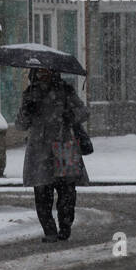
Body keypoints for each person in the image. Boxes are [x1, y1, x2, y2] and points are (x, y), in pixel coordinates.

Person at [16, 67, 89, 242]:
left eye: (46, 70)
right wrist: (27, 110)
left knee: (67, 192)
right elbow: (20, 124)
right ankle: (50, 232)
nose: (43, 74)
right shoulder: (30, 94)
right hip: (39, 151)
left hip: (62, 147)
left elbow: (84, 112)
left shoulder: (65, 91)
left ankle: (65, 226)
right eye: (39, 71)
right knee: (42, 193)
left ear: (54, 72)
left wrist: (69, 115)